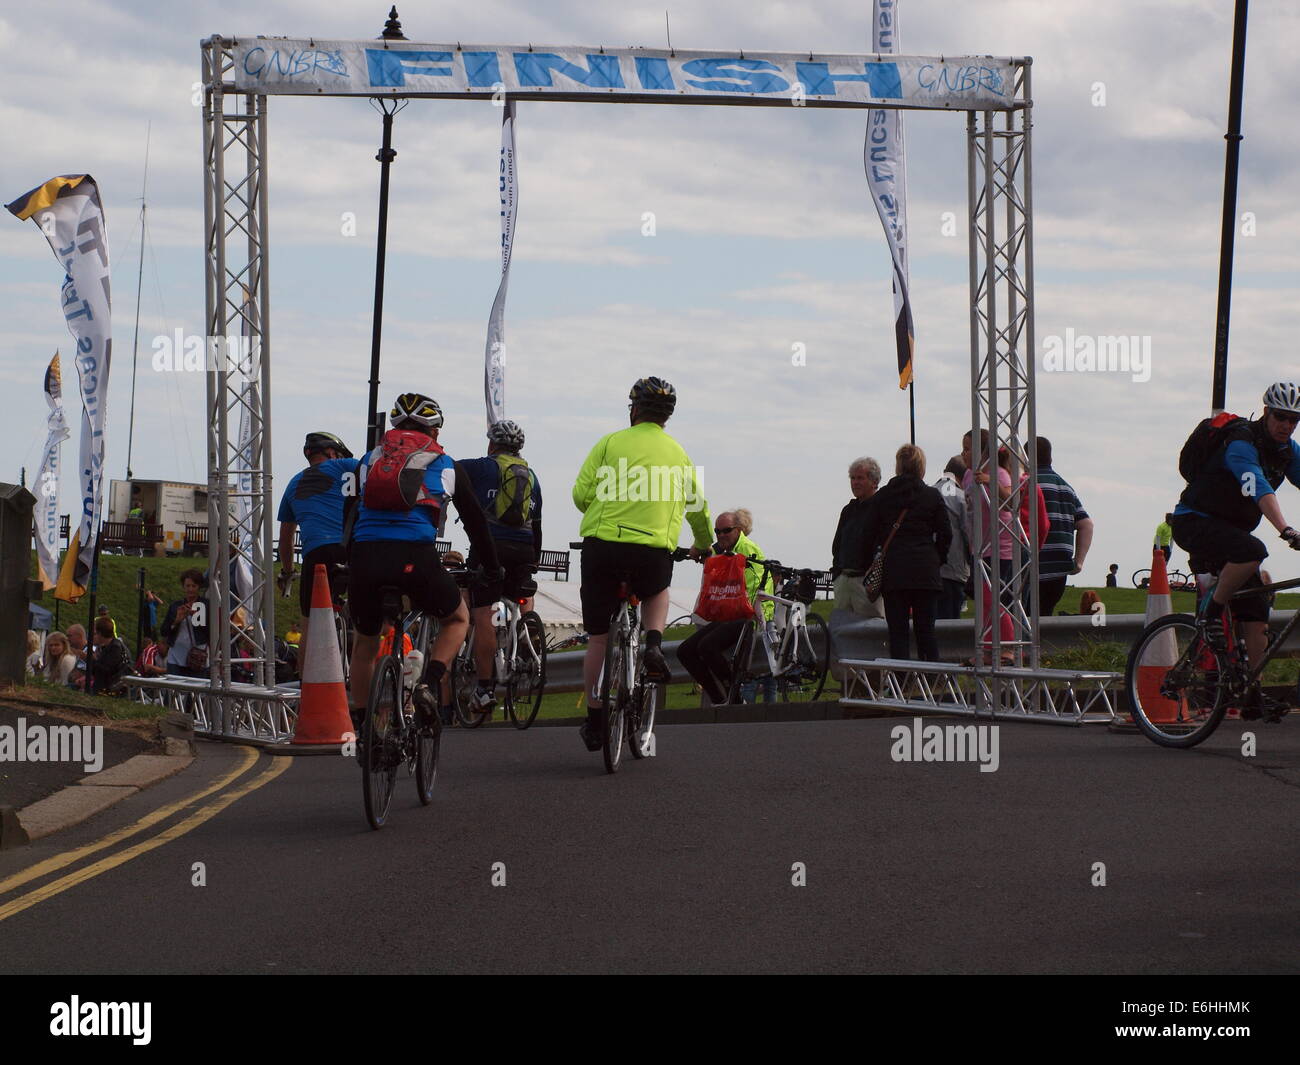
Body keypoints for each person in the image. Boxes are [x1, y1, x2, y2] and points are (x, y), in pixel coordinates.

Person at [573, 376, 712, 752]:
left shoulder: (610, 443)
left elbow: (581, 495)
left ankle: (596, 717)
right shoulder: (678, 454)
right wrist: (703, 545)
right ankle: (652, 644)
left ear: (633, 410)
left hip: (603, 546)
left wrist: (604, 505)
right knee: (657, 589)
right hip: (652, 551)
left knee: (600, 637)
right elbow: (697, 508)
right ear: (667, 417)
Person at [347, 392, 500, 731]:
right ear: (435, 432)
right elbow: (476, 523)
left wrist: (348, 566)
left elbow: (350, 517)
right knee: (457, 619)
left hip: (366, 556)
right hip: (414, 557)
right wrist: (491, 569)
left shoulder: (369, 460)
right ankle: (429, 684)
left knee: (365, 642)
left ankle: (362, 729)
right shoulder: (446, 464)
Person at [1170, 382, 1300, 719]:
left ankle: (1252, 695)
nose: (1287, 426)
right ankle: (1210, 613)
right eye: (1281, 418)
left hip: (1230, 533)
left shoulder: (1287, 450)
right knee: (1253, 549)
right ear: (1267, 413)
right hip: (1195, 522)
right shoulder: (1241, 442)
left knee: (1257, 611)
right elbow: (1256, 484)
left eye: (1294, 420)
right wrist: (1285, 529)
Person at [457, 418, 543, 719]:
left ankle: (484, 688)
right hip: (523, 549)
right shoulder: (531, 476)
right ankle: (523, 633)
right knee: (514, 598)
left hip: (490, 549)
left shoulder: (480, 467)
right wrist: (533, 560)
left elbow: (446, 469)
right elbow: (537, 522)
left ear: (491, 444)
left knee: (485, 616)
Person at [861, 445, 951, 661]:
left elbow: (868, 533)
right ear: (921, 466)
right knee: (926, 633)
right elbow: (946, 534)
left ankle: (901, 684)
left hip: (895, 572)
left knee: (898, 634)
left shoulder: (883, 497)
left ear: (898, 466)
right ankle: (931, 684)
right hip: (926, 572)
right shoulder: (932, 495)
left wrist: (875, 558)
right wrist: (936, 558)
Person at [677, 509, 773, 705]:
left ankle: (734, 696)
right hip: (729, 614)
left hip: (748, 615)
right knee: (684, 651)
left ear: (739, 530)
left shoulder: (747, 550)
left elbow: (749, 593)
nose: (721, 535)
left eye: (726, 531)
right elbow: (708, 552)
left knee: (707, 646)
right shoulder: (724, 549)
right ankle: (719, 699)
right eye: (717, 531)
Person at [277, 431, 359, 657]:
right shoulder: (347, 465)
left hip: (315, 555)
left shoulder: (293, 483)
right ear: (332, 453)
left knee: (309, 628)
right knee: (365, 621)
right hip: (350, 548)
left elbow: (285, 539)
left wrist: (287, 571)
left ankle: (306, 687)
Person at [1035, 437, 1095, 617]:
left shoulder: (1025, 484)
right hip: (1060, 566)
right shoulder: (1065, 487)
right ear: (1050, 458)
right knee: (1045, 615)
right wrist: (1078, 561)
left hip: (1034, 565)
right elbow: (1086, 524)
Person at [830, 457, 885, 618]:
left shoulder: (880, 509)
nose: (855, 482)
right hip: (844, 581)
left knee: (871, 634)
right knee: (843, 633)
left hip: (866, 583)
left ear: (874, 481)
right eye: (852, 478)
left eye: (860, 478)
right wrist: (838, 575)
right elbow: (837, 545)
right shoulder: (848, 510)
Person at [933, 456, 970, 619]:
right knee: (952, 625)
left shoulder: (930, 492)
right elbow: (969, 535)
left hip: (930, 572)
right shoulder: (961, 496)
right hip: (954, 571)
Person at [160, 569, 209, 678]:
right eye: (187, 586)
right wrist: (176, 621)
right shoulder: (175, 606)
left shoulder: (205, 605)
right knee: (174, 689)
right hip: (176, 655)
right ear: (183, 587)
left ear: (199, 587)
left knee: (196, 690)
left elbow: (210, 632)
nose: (190, 589)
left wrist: (196, 617)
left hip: (197, 655)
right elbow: (164, 631)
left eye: (193, 586)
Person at [88, 616, 134, 696]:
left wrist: (92, 659)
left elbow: (106, 671)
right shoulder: (106, 646)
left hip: (112, 691)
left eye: (95, 633)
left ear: (100, 633)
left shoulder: (115, 648)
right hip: (105, 688)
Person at [65, 624, 90, 688]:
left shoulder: (91, 651)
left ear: (80, 636)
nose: (67, 639)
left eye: (69, 636)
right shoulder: (72, 650)